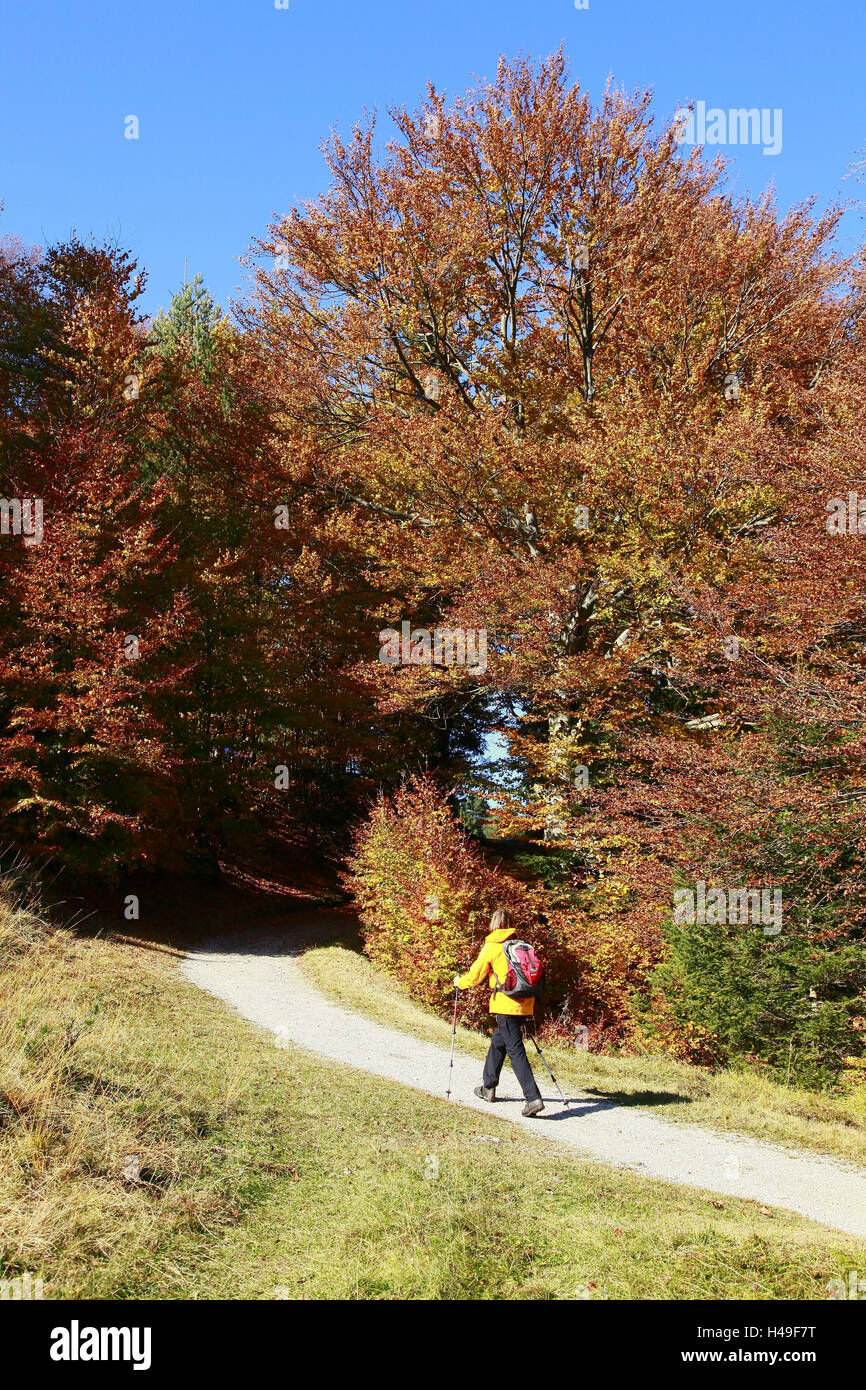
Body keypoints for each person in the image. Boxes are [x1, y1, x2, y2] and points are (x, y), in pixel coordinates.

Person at [454, 907, 544, 1117]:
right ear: (511, 924)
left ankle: (533, 1098)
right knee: (498, 1042)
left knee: (515, 1050)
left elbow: (475, 976)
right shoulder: (520, 945)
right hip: (524, 1002)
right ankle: (488, 1087)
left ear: (493, 923)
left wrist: (459, 982)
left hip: (505, 1004)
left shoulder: (492, 946)